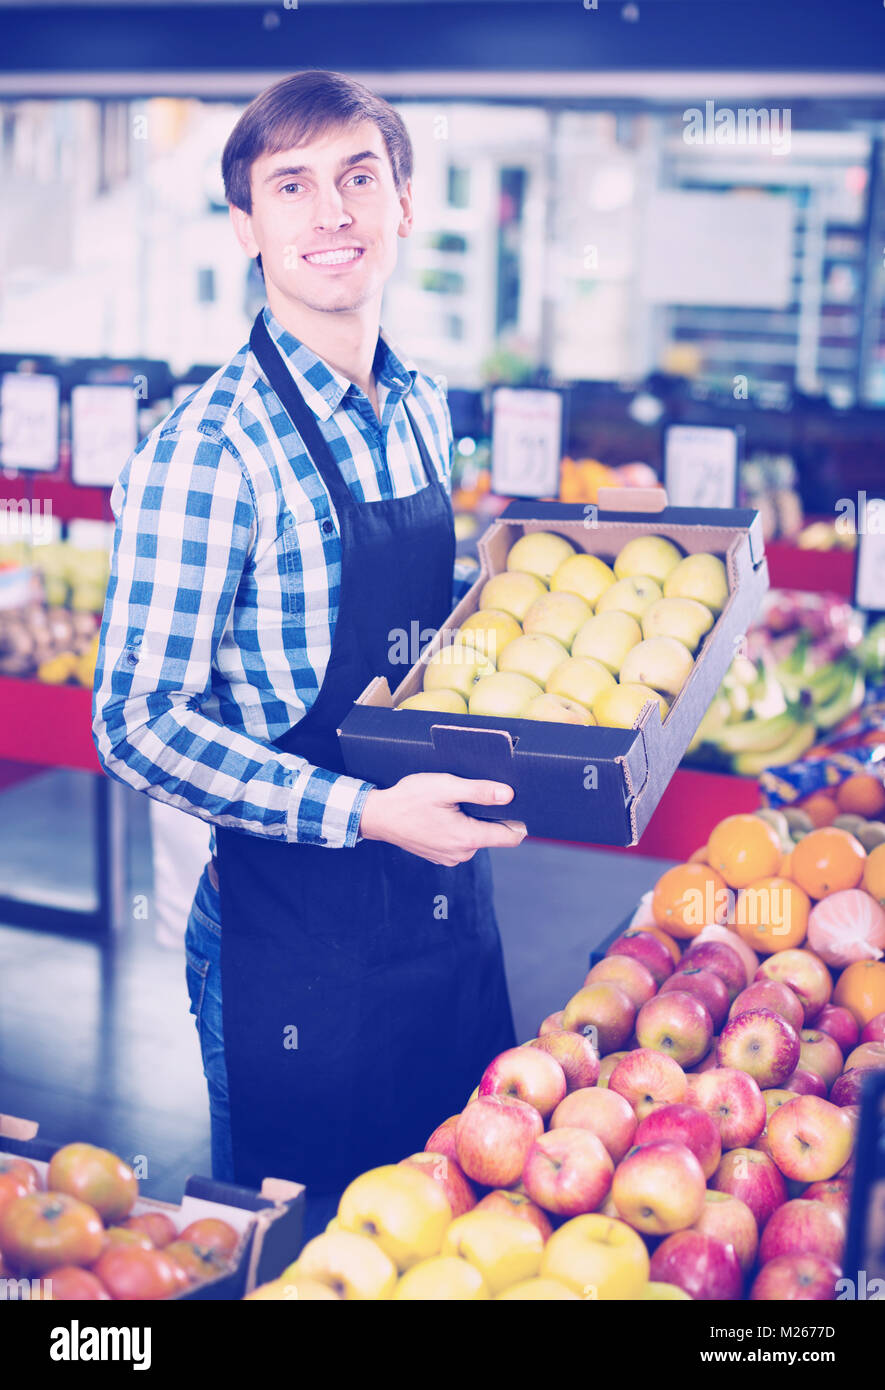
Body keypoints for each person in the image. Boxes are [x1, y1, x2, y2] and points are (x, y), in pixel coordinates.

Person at [92, 70, 526, 1241]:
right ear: (248, 229)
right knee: (312, 1256)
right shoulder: (208, 452)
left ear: (401, 205)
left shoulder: (426, 407)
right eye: (292, 185)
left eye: (357, 177)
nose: (330, 211)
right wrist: (371, 814)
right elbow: (134, 722)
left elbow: (419, 667)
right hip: (297, 946)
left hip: (450, 914)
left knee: (463, 1236)